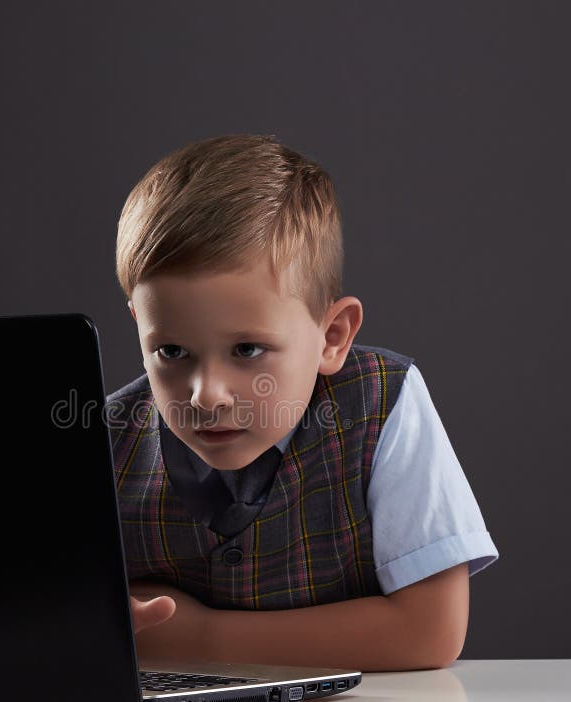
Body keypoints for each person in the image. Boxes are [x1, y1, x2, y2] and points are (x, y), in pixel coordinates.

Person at [104, 133, 499, 671]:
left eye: (247, 349)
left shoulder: (383, 403)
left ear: (332, 335)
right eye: (171, 350)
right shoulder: (107, 440)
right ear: (139, 326)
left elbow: (430, 632)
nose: (206, 394)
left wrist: (198, 638)